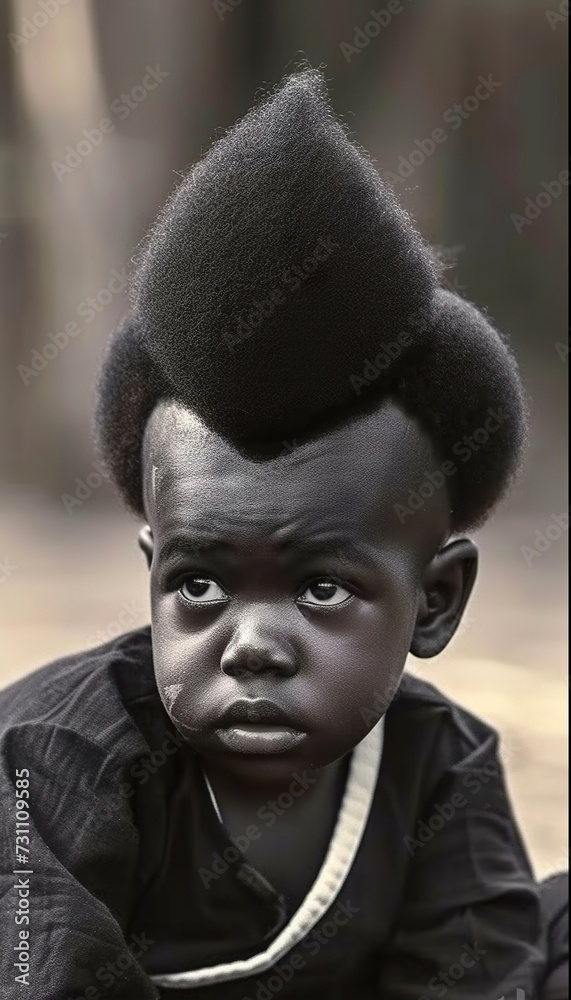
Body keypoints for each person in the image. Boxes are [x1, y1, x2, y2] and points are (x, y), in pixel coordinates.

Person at [0, 68, 567, 1000]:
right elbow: (34, 970)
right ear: (151, 573)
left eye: (320, 590)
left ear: (434, 600)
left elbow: (476, 975)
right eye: (198, 587)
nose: (253, 644)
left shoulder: (437, 767)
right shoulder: (47, 761)